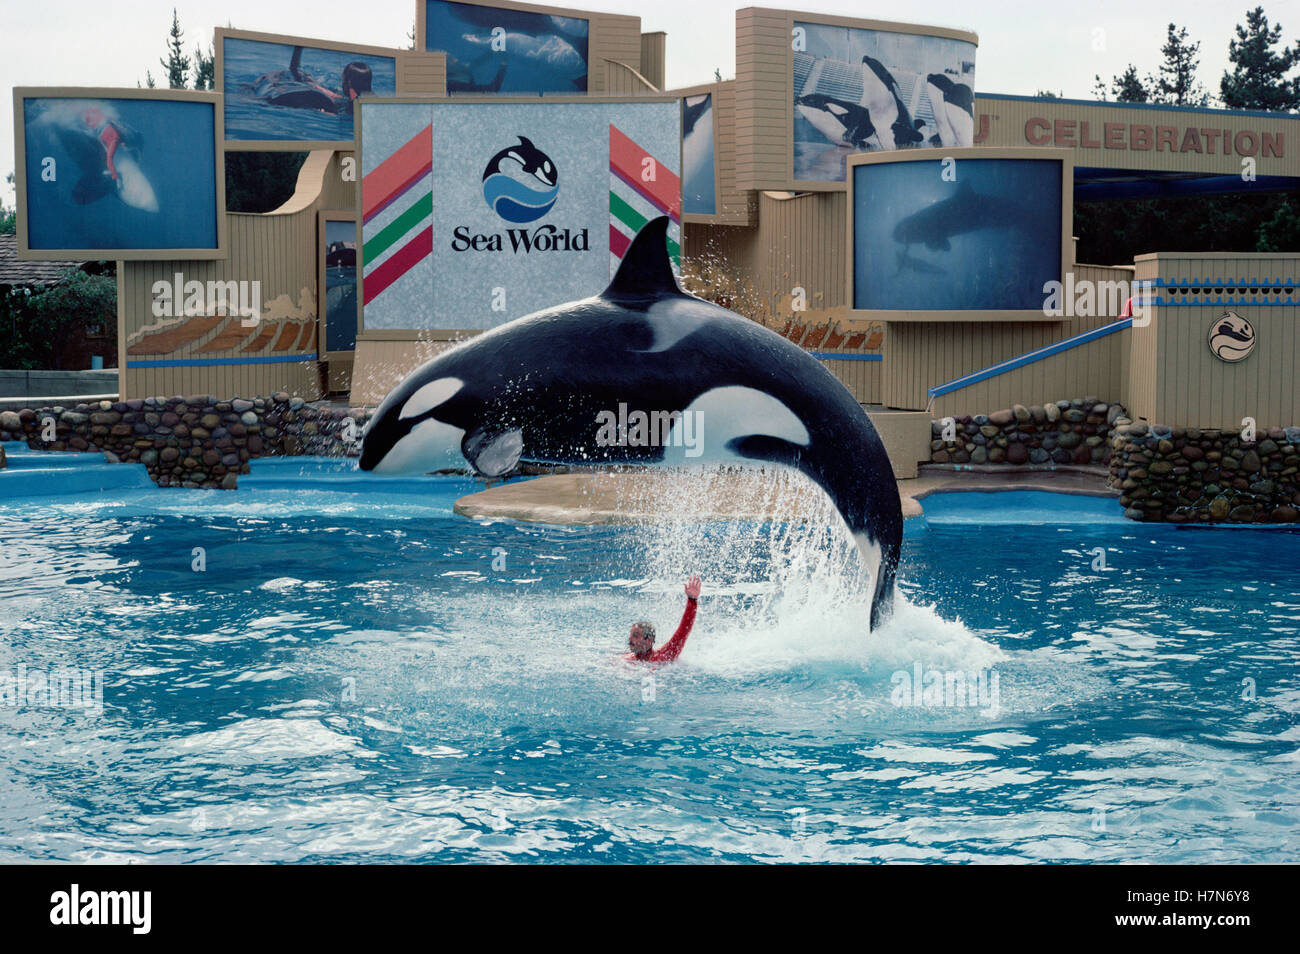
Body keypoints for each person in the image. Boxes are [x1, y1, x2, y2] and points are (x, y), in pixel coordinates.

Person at [623, 575, 702, 663]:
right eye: (631, 635)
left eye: (635, 635)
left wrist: (692, 600)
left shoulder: (664, 656)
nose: (630, 639)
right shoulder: (625, 659)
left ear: (649, 640)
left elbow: (683, 631)